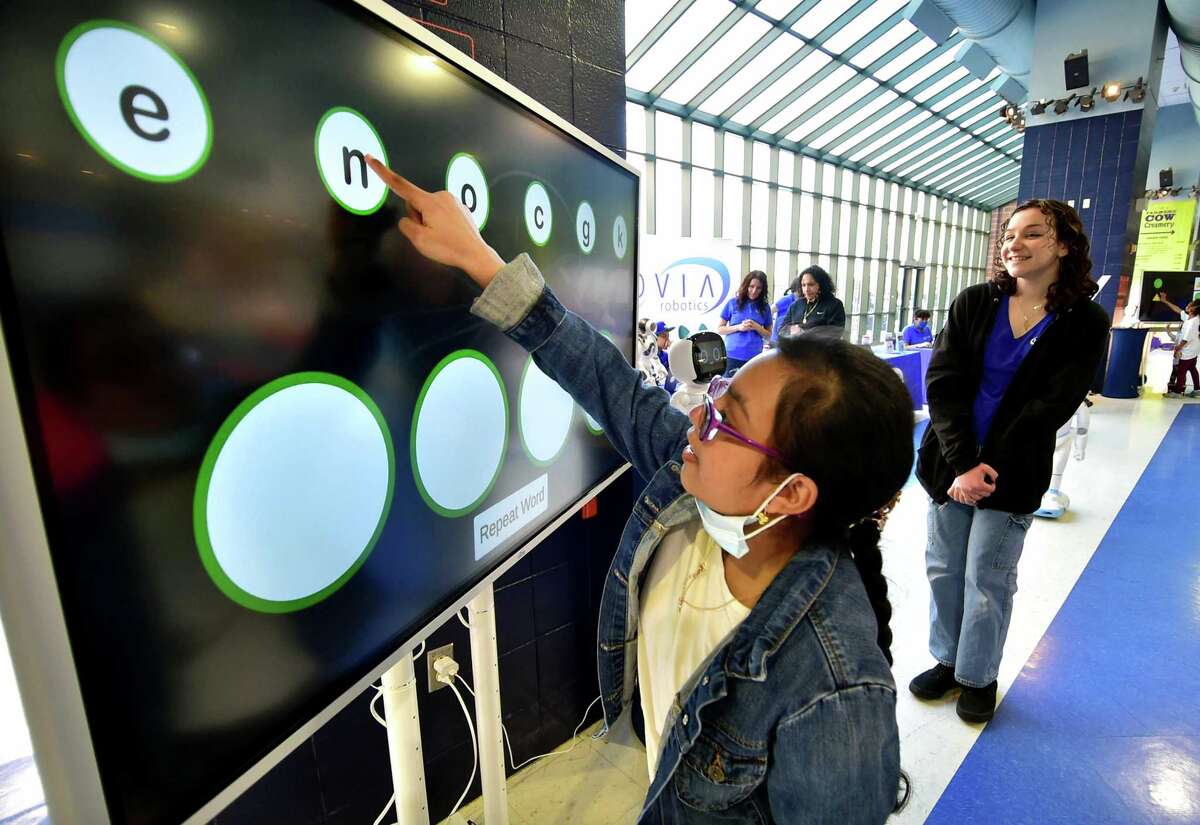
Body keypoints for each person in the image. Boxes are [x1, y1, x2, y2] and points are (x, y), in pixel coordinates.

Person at [364, 155, 910, 823]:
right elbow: (602, 375)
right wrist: (477, 256)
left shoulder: (834, 683)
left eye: (727, 421)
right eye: (717, 398)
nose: (699, 422)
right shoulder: (693, 487)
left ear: (794, 493)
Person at [910, 199, 1110, 724]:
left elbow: (1053, 403)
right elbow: (943, 385)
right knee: (944, 569)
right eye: (1008, 236)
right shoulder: (975, 302)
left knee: (987, 577)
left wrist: (986, 467)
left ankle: (978, 676)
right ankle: (948, 661)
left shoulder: (1084, 321)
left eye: (1032, 234)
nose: (1013, 245)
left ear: (1064, 244)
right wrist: (962, 467)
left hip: (1013, 471)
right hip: (948, 468)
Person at [717, 271, 772, 375]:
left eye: (758, 288)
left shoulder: (765, 307)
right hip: (732, 355)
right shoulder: (733, 303)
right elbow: (720, 329)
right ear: (746, 285)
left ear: (763, 289)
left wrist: (757, 327)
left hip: (754, 357)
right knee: (728, 387)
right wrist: (738, 327)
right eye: (751, 286)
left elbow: (769, 335)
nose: (754, 291)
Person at [780, 266, 846, 339]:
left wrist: (803, 332)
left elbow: (834, 332)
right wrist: (792, 330)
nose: (806, 289)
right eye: (803, 285)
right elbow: (781, 330)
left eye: (811, 284)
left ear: (821, 285)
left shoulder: (834, 305)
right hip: (795, 349)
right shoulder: (795, 305)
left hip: (821, 349)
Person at [1153, 294, 1200, 398]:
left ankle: (1177, 393)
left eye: (1189, 304)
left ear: (1193, 308)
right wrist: (1165, 301)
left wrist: (1177, 349)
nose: (1187, 305)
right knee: (1192, 368)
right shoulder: (1190, 318)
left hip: (1188, 351)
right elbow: (1178, 310)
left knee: (1181, 371)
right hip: (1193, 350)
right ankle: (1197, 389)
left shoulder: (1192, 322)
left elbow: (1185, 340)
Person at [770, 277, 800, 346]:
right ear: (795, 290)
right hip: (777, 338)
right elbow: (771, 310)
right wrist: (770, 326)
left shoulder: (802, 302)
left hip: (789, 337)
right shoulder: (787, 299)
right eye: (799, 290)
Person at [655, 321, 679, 394]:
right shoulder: (647, 357)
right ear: (655, 337)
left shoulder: (666, 355)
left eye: (668, 336)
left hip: (666, 394)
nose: (667, 340)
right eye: (664, 336)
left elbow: (672, 378)